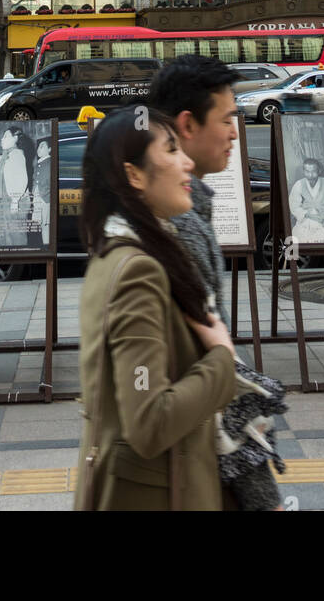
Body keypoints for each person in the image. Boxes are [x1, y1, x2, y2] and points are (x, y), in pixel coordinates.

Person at [74, 104, 237, 512]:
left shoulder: (116, 252)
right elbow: (148, 420)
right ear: (133, 175)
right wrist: (222, 358)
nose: (187, 163)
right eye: (171, 151)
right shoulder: (138, 273)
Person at [148, 55, 287, 513]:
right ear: (188, 124)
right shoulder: (178, 226)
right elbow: (217, 385)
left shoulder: (181, 209)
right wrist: (263, 502)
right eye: (227, 118)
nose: (235, 131)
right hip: (190, 468)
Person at [0, 129, 30, 246]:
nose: (2, 139)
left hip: (15, 201)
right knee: (8, 237)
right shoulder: (8, 155)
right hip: (7, 200)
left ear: (15, 138)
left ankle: (20, 263)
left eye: (5, 136)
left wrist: (15, 201)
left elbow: (22, 178)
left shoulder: (16, 154)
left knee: (16, 238)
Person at [289, 157, 324, 229]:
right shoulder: (298, 184)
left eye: (313, 171)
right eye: (307, 171)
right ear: (303, 171)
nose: (310, 175)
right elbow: (294, 206)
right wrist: (310, 216)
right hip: (305, 221)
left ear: (319, 171)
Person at [32, 138, 51, 244]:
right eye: (38, 146)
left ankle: (48, 247)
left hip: (46, 198)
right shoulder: (38, 164)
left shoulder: (50, 162)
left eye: (42, 146)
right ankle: (46, 247)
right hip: (37, 198)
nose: (38, 149)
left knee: (46, 225)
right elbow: (35, 181)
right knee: (42, 225)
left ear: (49, 149)